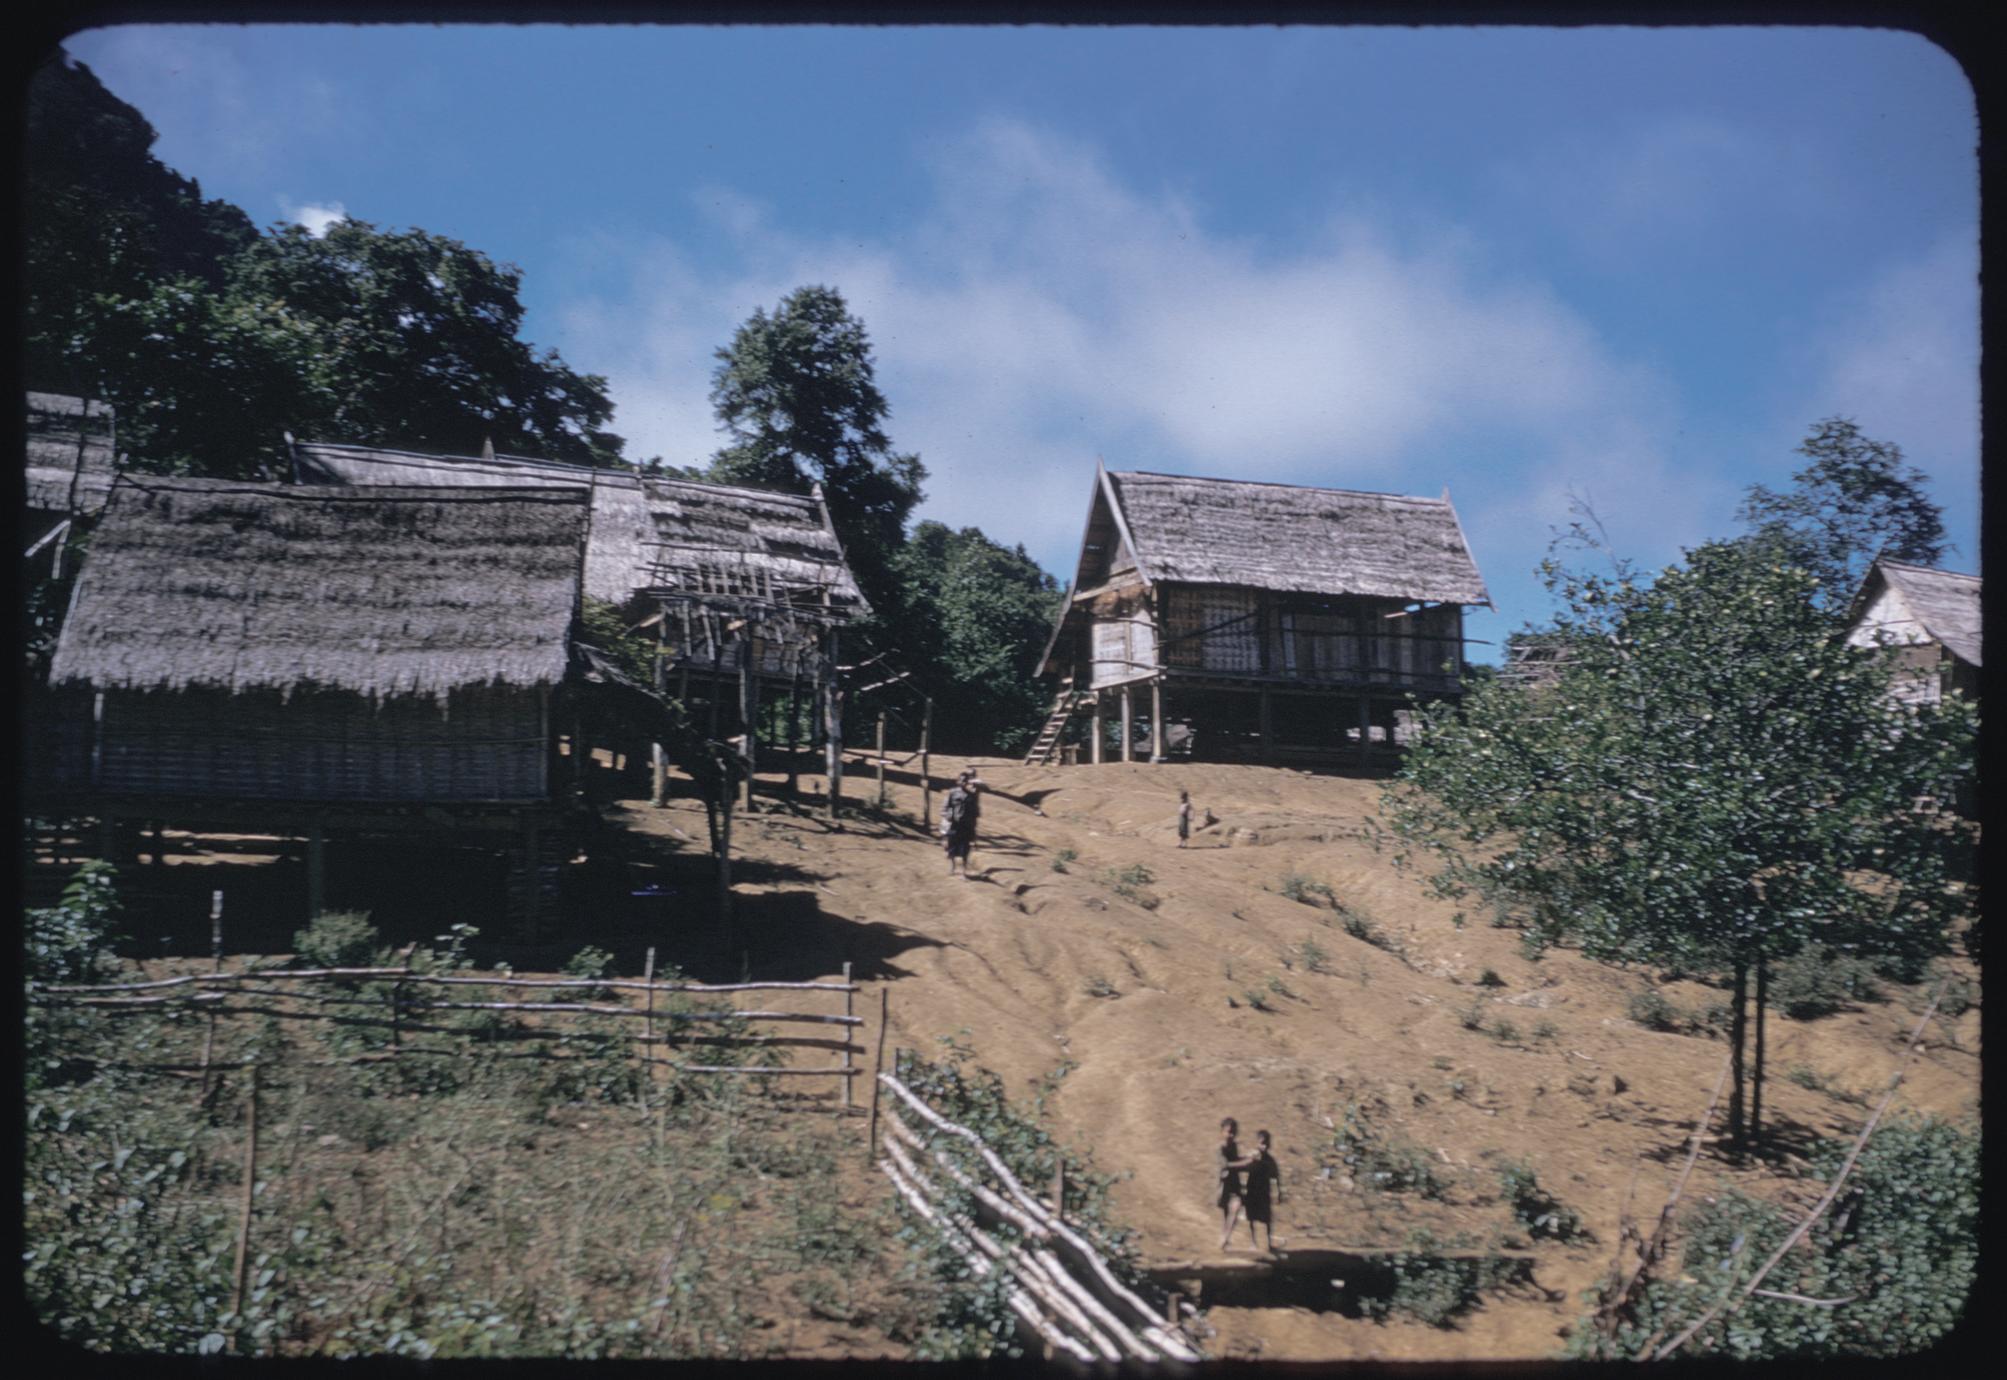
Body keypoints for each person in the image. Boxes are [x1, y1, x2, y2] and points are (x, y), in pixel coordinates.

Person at [1241, 1130, 1283, 1253]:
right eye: (1261, 1143)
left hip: (1264, 1192)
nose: (1263, 1146)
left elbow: (1276, 1176)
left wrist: (1279, 1191)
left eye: (1266, 1143)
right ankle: (1253, 1242)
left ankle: (1269, 1243)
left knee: (1267, 1219)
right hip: (1252, 1190)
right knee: (1251, 1217)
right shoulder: (1252, 1157)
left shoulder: (1270, 1160)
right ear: (1257, 1143)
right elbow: (1243, 1168)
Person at [942, 771, 983, 878]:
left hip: (966, 825)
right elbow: (946, 807)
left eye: (965, 780)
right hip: (954, 824)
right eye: (961, 780)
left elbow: (975, 812)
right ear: (958, 781)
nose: (963, 782)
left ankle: (963, 871)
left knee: (965, 848)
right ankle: (953, 867)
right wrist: (947, 816)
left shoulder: (971, 796)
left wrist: (974, 828)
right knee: (952, 846)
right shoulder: (952, 793)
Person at [1217, 1117, 1247, 1249]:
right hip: (1223, 1185)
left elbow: (1235, 1161)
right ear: (1222, 1132)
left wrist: (1247, 1158)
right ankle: (1224, 1239)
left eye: (1233, 1132)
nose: (1231, 1135)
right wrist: (1245, 1163)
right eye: (1228, 1132)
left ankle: (1225, 1237)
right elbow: (1226, 1165)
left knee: (1235, 1208)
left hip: (1234, 1183)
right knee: (1227, 1213)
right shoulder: (1221, 1148)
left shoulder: (1234, 1146)